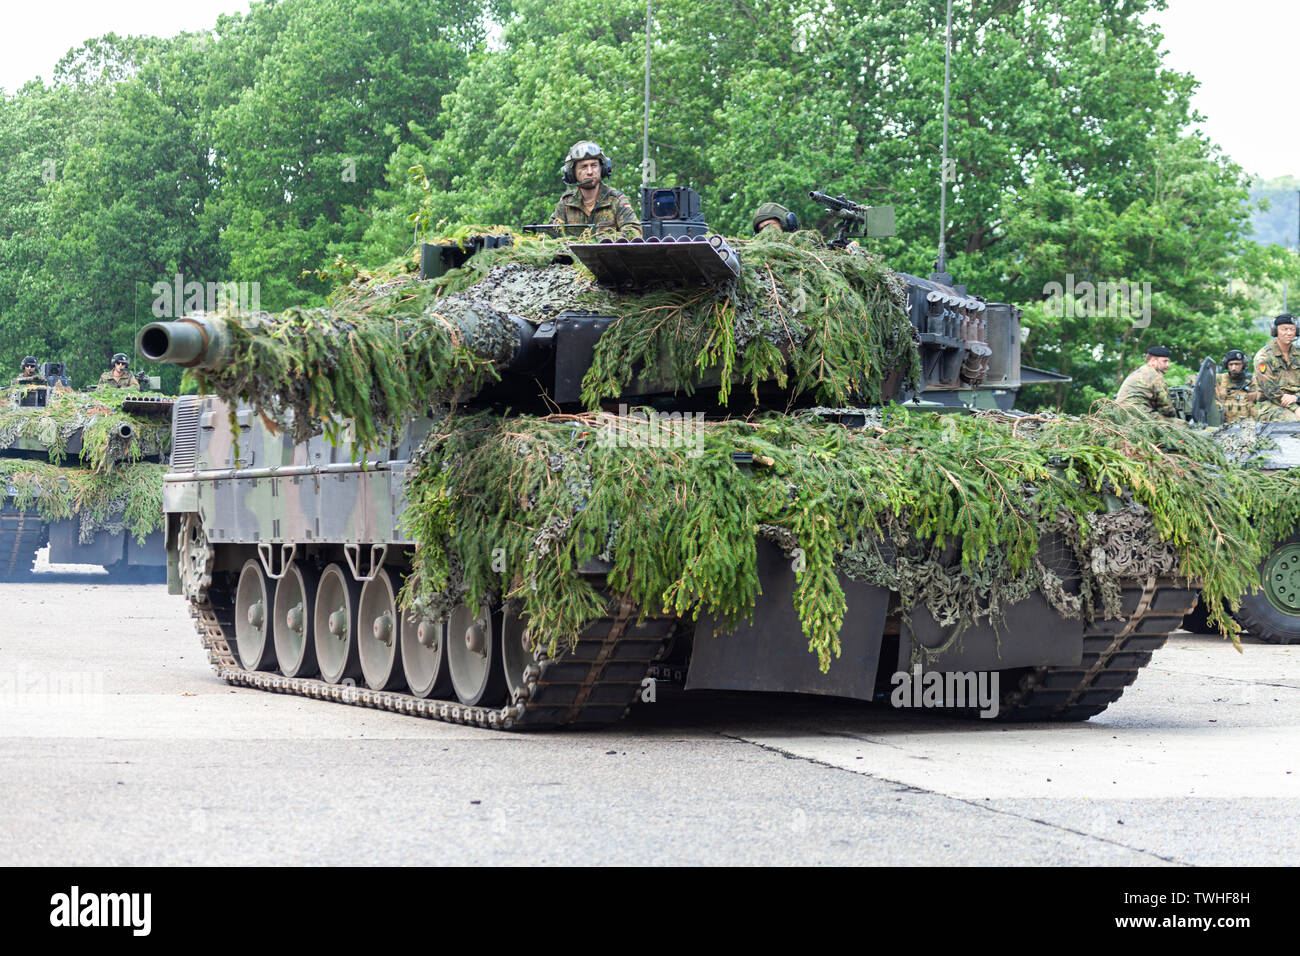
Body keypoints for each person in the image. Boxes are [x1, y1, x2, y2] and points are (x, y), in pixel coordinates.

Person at [548, 141, 642, 239]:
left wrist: (603, 240)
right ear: (572, 173)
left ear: (603, 168)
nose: (590, 172)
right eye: (583, 167)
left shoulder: (616, 200)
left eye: (594, 165)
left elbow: (634, 232)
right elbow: (550, 236)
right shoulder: (566, 204)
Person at [1253, 314, 1300, 422]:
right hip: (1273, 405)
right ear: (1275, 331)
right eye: (1284, 329)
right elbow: (1270, 390)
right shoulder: (1264, 357)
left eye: (1292, 329)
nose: (1289, 333)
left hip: (1297, 400)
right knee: (1295, 423)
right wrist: (1296, 408)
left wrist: (1296, 397)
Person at [1115, 344, 1177, 418]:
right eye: (1165, 361)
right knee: (1183, 424)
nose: (1168, 365)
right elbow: (1167, 408)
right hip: (1138, 416)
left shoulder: (1139, 372)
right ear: (1153, 361)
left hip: (1120, 414)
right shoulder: (1155, 376)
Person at [1215, 349, 1259, 424]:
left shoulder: (1251, 381)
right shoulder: (1219, 379)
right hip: (1223, 424)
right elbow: (1198, 379)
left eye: (1237, 364)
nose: (1234, 368)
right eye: (1231, 365)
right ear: (1226, 365)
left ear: (1243, 365)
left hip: (1246, 425)